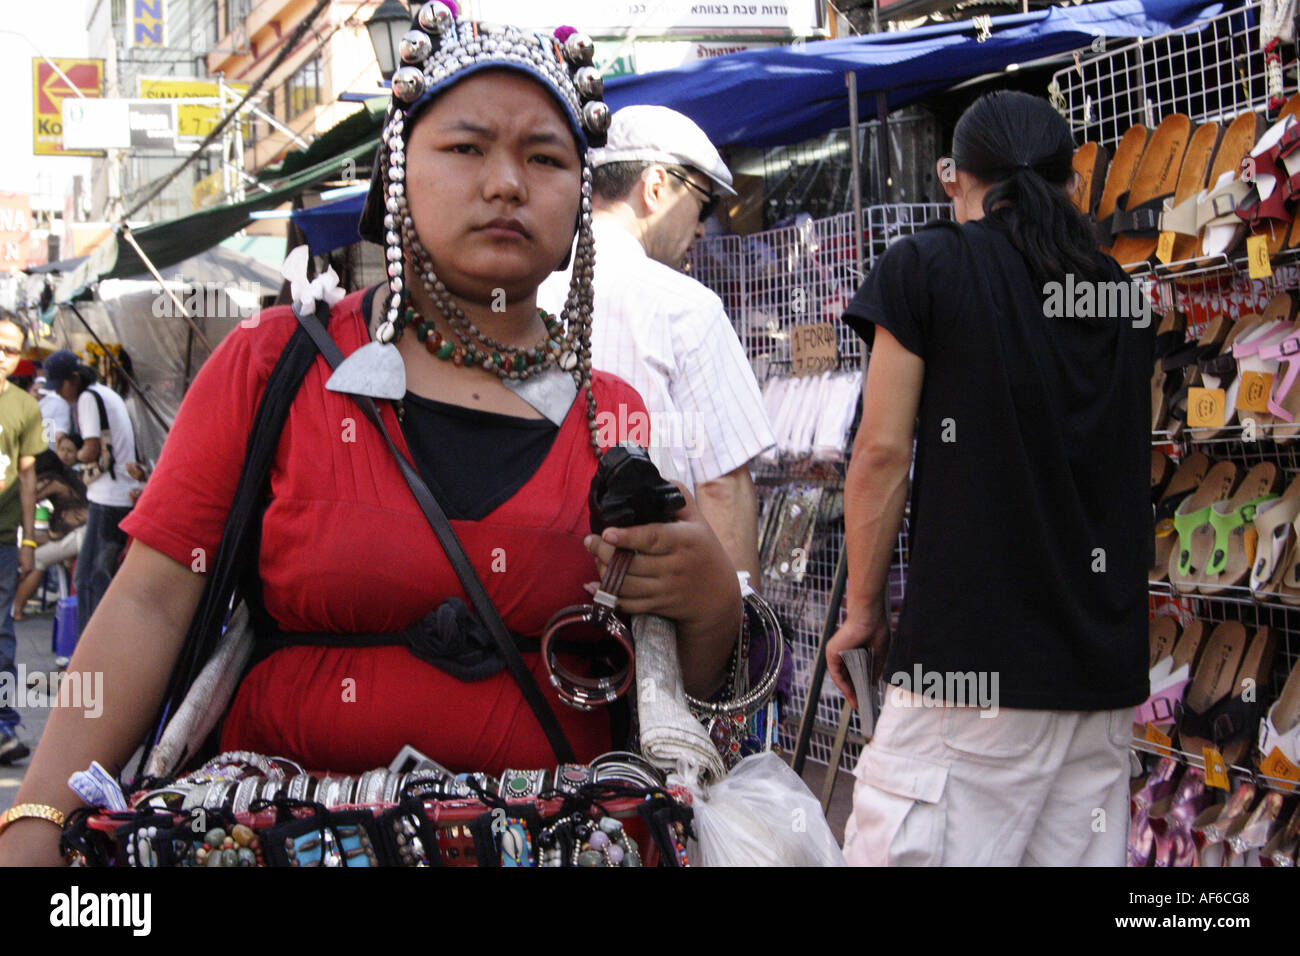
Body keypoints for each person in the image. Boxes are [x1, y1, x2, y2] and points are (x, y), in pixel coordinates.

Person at [0, 9, 744, 866]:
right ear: (396, 174)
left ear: (580, 194)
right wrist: (37, 819)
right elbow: (150, 602)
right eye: (466, 148)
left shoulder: (610, 414)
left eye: (545, 157)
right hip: (271, 843)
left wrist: (708, 596)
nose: (506, 182)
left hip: (553, 844)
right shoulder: (271, 368)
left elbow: (668, 673)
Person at [827, 91, 1149, 867]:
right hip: (1098, 685)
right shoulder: (1118, 297)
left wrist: (863, 611)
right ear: (1072, 187)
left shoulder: (929, 265)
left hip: (966, 683)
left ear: (955, 180)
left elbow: (880, 453)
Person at [538, 105, 775, 583]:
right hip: (657, 602)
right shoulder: (686, 307)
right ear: (655, 187)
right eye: (703, 204)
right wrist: (741, 634)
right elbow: (723, 485)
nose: (703, 226)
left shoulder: (527, 290)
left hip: (533, 589)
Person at [41, 353, 141, 634]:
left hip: (110, 497)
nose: (60, 393)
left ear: (73, 380)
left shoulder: (86, 399)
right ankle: (95, 646)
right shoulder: (102, 394)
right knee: (93, 576)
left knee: (91, 577)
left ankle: (92, 647)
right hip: (113, 495)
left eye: (61, 386)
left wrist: (71, 458)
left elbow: (92, 448)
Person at [0, 315, 51, 766]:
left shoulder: (23, 407)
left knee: (1, 634)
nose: (3, 356)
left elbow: (28, 475)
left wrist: (29, 541)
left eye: (11, 350)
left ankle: (1, 726)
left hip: (1, 540)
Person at [12, 437, 88, 622]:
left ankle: (16, 609)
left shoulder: (51, 481)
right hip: (76, 531)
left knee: (37, 559)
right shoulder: (66, 476)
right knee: (32, 551)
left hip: (77, 534)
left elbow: (26, 498)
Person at [36, 373, 71, 452]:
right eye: (34, 390)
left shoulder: (58, 403)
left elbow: (60, 434)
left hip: (51, 454)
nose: (36, 393)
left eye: (39, 391)